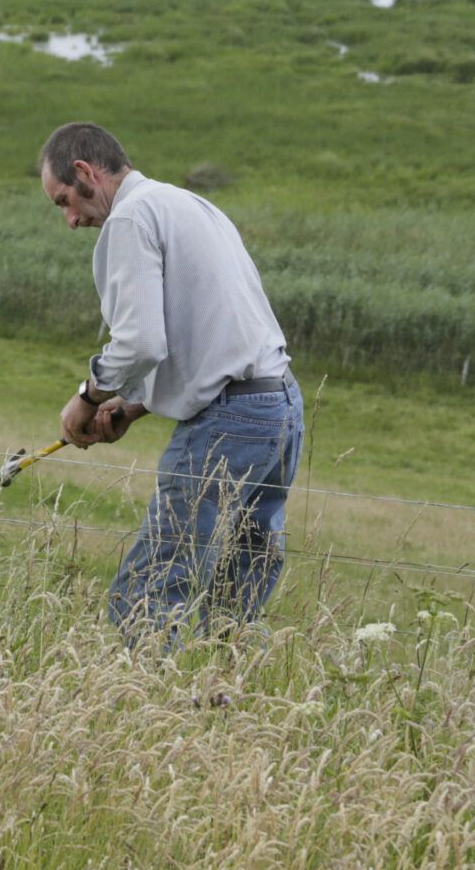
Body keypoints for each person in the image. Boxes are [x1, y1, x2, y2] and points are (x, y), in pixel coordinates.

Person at [38, 122, 303, 643]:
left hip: (230, 420)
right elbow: (199, 330)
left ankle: (143, 711)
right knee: (238, 598)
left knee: (148, 591)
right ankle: (228, 707)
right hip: (279, 406)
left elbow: (139, 344)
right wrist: (133, 406)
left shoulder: (131, 218)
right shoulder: (188, 205)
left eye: (65, 201)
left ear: (85, 172)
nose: (70, 220)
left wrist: (85, 398)